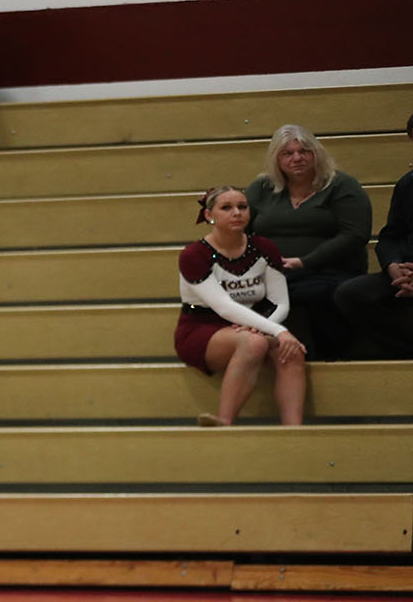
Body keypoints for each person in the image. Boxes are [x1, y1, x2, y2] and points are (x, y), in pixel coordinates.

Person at [175, 185, 305, 427]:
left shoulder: (264, 247)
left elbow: (280, 302)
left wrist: (265, 327)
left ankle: (294, 430)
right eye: (226, 208)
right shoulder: (194, 254)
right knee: (255, 343)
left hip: (253, 325)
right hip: (203, 328)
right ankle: (224, 421)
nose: (236, 213)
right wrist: (277, 331)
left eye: (242, 207)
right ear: (209, 215)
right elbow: (223, 306)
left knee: (291, 350)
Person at [246, 125, 375, 360]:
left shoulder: (342, 185)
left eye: (304, 151)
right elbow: (237, 230)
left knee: (318, 294)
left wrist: (304, 261)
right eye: (288, 153)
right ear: (276, 159)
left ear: (317, 154)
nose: (297, 158)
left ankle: (330, 359)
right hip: (274, 272)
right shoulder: (261, 188)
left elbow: (355, 234)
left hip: (332, 271)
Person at [333, 112, 413, 359]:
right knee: (350, 294)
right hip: (406, 270)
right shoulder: (407, 184)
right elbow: (389, 236)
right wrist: (393, 266)